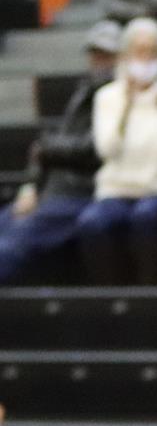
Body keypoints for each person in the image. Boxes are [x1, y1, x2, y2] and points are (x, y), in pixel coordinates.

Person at [78, 18, 157, 285]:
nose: (144, 59)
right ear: (125, 55)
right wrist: (125, 108)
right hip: (118, 190)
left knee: (146, 216)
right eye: (138, 51)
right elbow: (106, 150)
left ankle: (148, 291)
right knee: (92, 223)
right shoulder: (108, 97)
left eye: (151, 51)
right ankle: (109, 294)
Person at [0, 20, 120, 284]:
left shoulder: (118, 98)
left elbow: (95, 148)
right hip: (52, 191)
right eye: (95, 54)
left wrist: (47, 149)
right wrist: (31, 186)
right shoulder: (84, 91)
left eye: (107, 55)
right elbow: (47, 146)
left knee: (8, 248)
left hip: (82, 193)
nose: (100, 62)